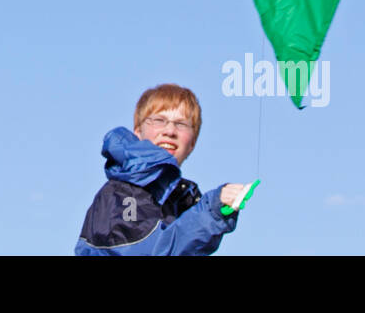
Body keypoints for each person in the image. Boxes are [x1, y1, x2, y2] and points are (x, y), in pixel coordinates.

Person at [74, 83, 244, 255]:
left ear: (192, 143)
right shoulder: (123, 193)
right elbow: (146, 251)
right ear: (138, 132)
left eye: (181, 124)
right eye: (159, 120)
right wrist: (210, 213)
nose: (170, 131)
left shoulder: (183, 202)